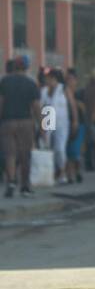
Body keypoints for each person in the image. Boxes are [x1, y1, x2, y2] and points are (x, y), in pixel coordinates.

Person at [0, 58, 41, 197]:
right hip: (26, 122)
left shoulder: (4, 82)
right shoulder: (31, 84)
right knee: (25, 154)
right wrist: (43, 125)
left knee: (10, 153)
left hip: (7, 122)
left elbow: (1, 102)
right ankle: (25, 186)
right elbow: (36, 107)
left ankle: (11, 182)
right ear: (26, 68)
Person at [39, 68, 71, 183]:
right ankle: (49, 173)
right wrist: (41, 125)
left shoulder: (63, 89)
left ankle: (62, 172)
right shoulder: (43, 91)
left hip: (62, 121)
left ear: (53, 78)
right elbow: (40, 108)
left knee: (60, 148)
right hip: (48, 118)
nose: (46, 80)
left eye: (47, 78)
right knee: (45, 147)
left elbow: (72, 105)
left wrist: (75, 120)